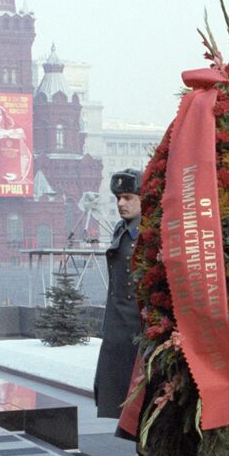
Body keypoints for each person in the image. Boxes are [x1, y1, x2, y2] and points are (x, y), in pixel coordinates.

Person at [93, 169, 145, 424]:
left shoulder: (147, 231)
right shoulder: (120, 229)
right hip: (119, 324)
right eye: (118, 199)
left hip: (137, 326)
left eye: (128, 197)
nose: (121, 204)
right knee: (124, 393)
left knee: (141, 395)